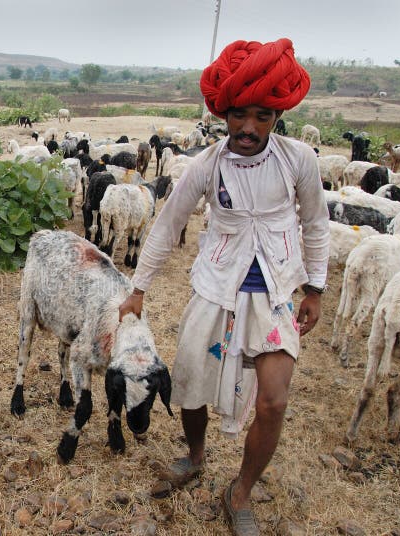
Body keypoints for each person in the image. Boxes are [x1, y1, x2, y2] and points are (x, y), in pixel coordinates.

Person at [118, 38, 329, 536]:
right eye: (239, 115)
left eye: (263, 116)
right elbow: (168, 226)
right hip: (214, 289)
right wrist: (139, 287)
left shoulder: (298, 160)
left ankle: (240, 491)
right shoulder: (206, 166)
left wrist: (314, 288)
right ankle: (195, 457)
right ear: (223, 113)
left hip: (275, 294)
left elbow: (316, 224)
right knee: (191, 385)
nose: (249, 128)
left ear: (278, 115)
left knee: (274, 400)